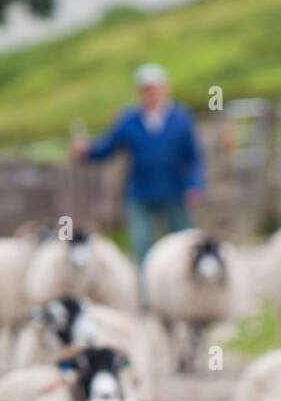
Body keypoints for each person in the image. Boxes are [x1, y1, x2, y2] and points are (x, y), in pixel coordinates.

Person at [73, 64, 205, 284]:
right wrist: (86, 151)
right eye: (146, 89)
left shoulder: (181, 118)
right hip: (141, 192)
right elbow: (108, 147)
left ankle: (185, 285)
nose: (150, 93)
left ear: (164, 89)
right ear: (140, 92)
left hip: (175, 190)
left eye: (154, 88)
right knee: (142, 243)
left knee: (184, 243)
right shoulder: (129, 120)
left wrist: (194, 185)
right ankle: (147, 294)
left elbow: (193, 157)